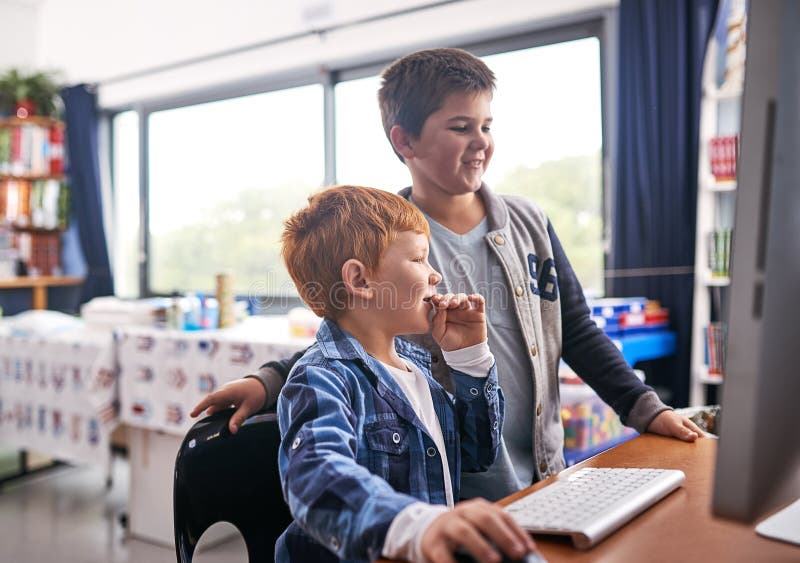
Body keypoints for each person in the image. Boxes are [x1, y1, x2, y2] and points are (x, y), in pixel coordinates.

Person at [192, 47, 703, 503]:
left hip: (542, 478)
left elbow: (576, 327)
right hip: (452, 491)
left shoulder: (529, 223)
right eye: (460, 127)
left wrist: (644, 408)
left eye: (487, 125)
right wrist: (271, 380)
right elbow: (353, 333)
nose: (480, 141)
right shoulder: (389, 241)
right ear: (405, 140)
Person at [272, 185, 537, 562]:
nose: (435, 275)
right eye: (419, 258)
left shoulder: (419, 370)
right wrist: (417, 526)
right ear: (360, 281)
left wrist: (470, 358)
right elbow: (316, 479)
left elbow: (477, 456)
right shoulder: (321, 378)